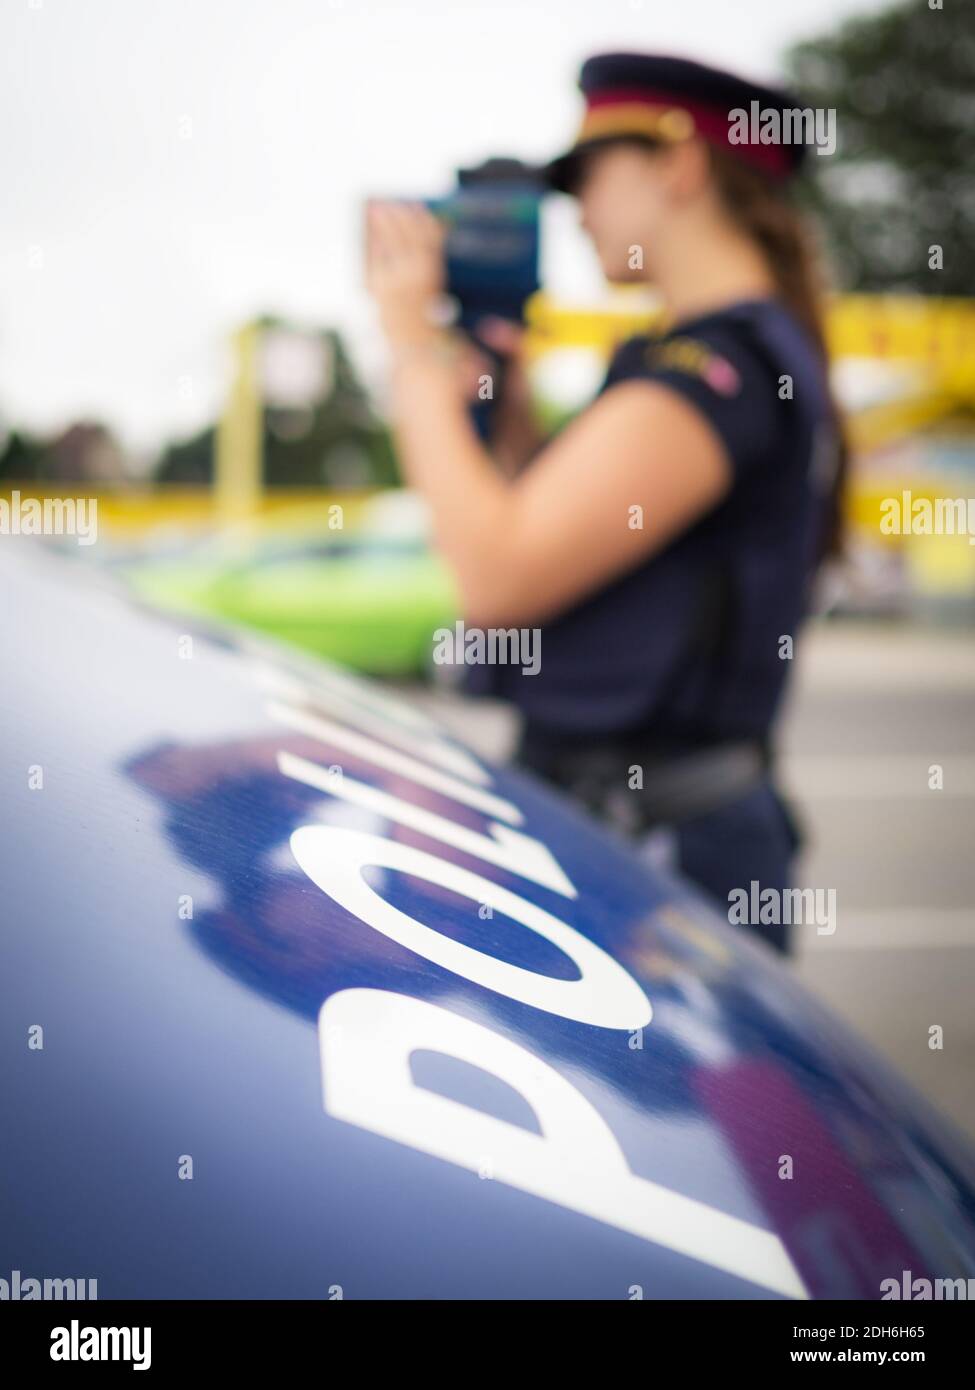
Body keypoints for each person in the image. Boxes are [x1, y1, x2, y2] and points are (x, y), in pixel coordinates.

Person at [365, 53, 845, 955]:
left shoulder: (717, 372)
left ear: (680, 166)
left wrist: (409, 360)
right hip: (638, 829)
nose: (575, 210)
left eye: (587, 176)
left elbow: (498, 579)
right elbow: (573, 539)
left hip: (653, 853)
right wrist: (504, 409)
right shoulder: (712, 359)